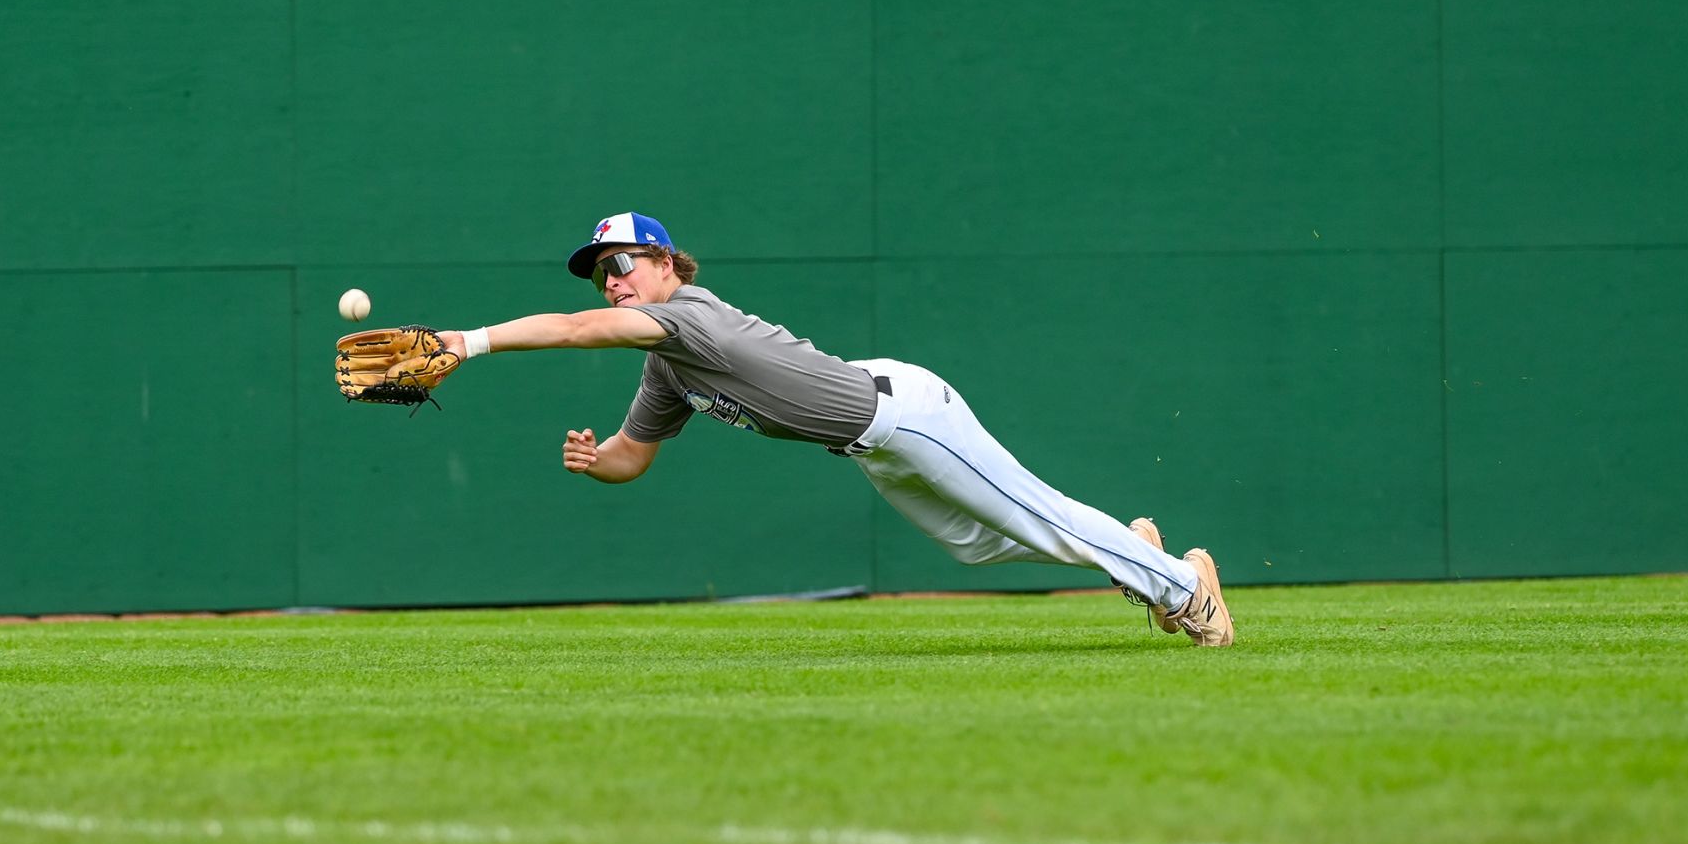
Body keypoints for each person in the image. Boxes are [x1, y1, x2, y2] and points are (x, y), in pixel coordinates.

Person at [433, 213, 1233, 644]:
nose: (612, 281)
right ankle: (1137, 559)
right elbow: (632, 458)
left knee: (1037, 511)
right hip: (873, 443)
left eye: (624, 264)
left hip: (907, 413)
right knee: (981, 542)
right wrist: (594, 459)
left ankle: (1185, 589)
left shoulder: (688, 320)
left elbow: (576, 331)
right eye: (602, 273)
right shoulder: (666, 364)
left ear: (670, 265)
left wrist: (467, 342)